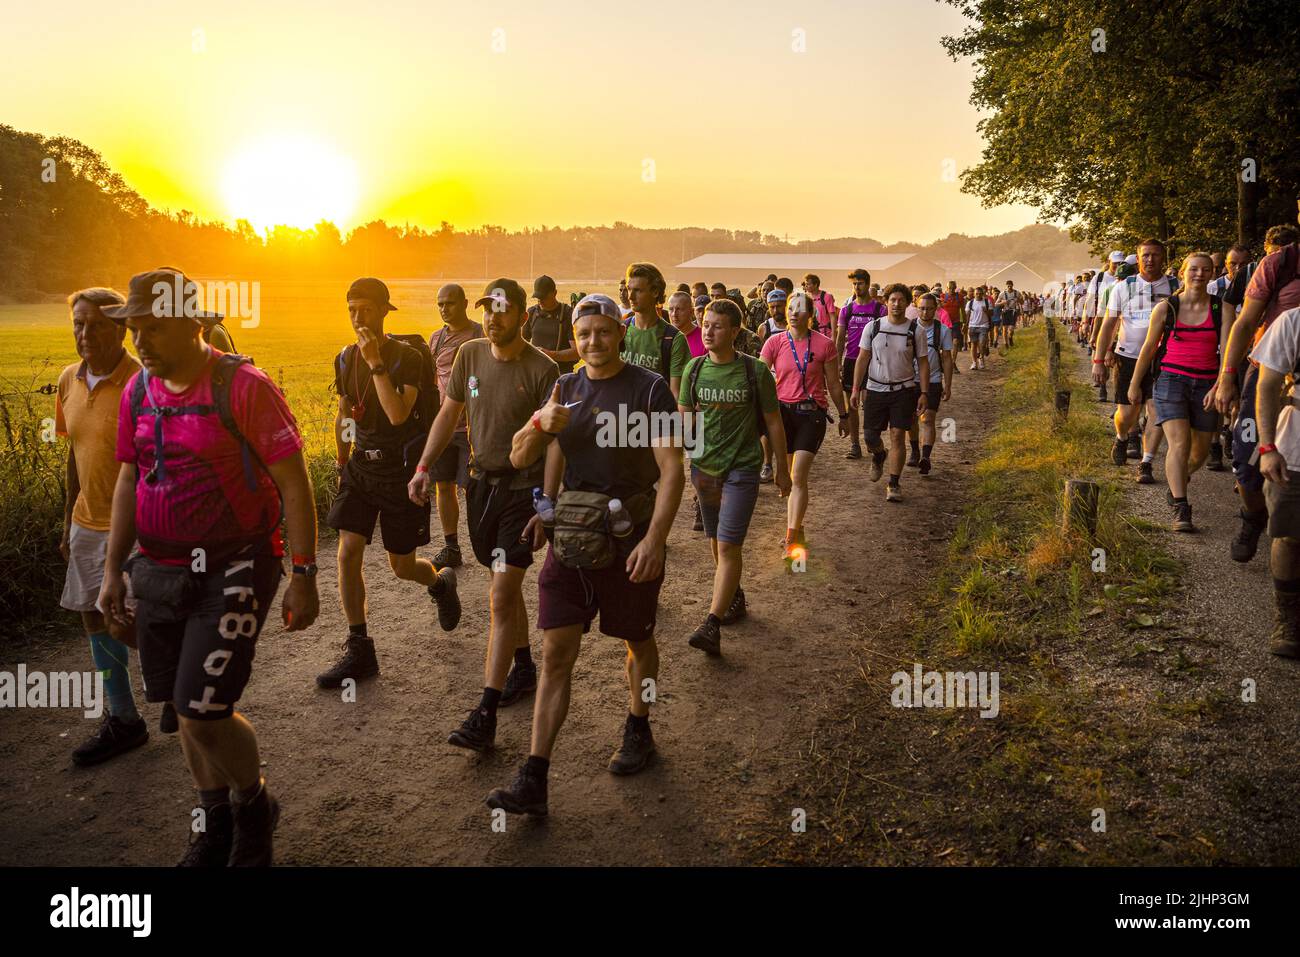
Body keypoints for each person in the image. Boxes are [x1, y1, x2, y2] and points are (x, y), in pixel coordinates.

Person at [98, 269, 321, 866]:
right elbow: (129, 476)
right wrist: (112, 569)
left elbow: (293, 484)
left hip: (238, 564)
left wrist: (303, 573)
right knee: (179, 707)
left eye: (154, 328)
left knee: (204, 708)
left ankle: (254, 808)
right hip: (158, 569)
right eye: (135, 329)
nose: (140, 342)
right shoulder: (137, 392)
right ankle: (212, 820)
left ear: (194, 323)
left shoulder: (243, 386)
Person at [485, 294, 685, 815]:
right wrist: (540, 429)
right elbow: (522, 455)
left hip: (629, 543)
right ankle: (535, 778)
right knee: (556, 656)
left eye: (602, 331)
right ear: (574, 338)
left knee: (638, 641)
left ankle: (640, 724)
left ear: (620, 333)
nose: (593, 341)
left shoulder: (650, 390)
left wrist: (655, 540)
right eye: (584, 333)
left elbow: (672, 472)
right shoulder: (564, 389)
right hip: (570, 541)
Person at [409, 279, 559, 749]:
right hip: (480, 488)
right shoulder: (469, 356)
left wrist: (547, 504)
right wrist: (423, 467)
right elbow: (448, 414)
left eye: (502, 309)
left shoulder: (544, 369)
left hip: (521, 493)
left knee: (499, 594)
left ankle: (485, 713)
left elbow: (555, 445)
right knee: (503, 586)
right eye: (486, 309)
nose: (492, 318)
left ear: (520, 314)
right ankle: (525, 665)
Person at [319, 278, 460, 690]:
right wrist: (342, 457)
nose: (357, 318)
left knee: (401, 566)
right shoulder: (345, 359)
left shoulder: (407, 357)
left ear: (384, 311)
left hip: (401, 474)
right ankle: (359, 646)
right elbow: (345, 411)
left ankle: (439, 581)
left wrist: (376, 361)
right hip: (361, 470)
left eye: (365, 309)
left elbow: (398, 414)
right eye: (351, 310)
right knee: (347, 551)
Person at [56, 287, 149, 766]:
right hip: (85, 523)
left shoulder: (143, 381)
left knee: (134, 623)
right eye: (78, 323)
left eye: (95, 324)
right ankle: (124, 719)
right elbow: (74, 455)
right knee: (94, 618)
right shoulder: (68, 379)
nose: (85, 333)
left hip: (137, 527)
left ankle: (177, 696)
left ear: (120, 328)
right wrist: (66, 517)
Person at [679, 299, 788, 654]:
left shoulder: (754, 372)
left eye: (718, 326)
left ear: (735, 331)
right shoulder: (694, 371)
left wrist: (783, 470)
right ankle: (734, 595)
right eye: (705, 324)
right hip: (704, 469)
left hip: (742, 468)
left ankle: (712, 623)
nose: (708, 331)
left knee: (727, 545)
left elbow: (773, 421)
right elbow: (684, 421)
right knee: (715, 542)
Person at [1126, 253, 1234, 532]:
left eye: (1206, 270)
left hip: (1207, 383)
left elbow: (1227, 353)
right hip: (1171, 380)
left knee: (1198, 454)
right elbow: (1149, 348)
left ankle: (1178, 480)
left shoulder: (1221, 308)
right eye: (1194, 269)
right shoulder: (1167, 308)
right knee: (1179, 444)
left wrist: (1222, 384)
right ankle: (1181, 506)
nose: (1199, 274)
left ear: (1212, 274)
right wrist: (1135, 383)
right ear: (1183, 272)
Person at [1215, 216, 1300, 563]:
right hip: (1267, 370)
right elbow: (1245, 321)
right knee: (1248, 459)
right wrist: (1227, 376)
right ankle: (1253, 516)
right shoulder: (1280, 262)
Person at [760, 292, 848, 559]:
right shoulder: (774, 342)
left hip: (812, 416)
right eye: (790, 308)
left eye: (799, 309)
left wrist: (844, 414)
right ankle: (796, 528)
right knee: (787, 480)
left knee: (798, 476)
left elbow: (833, 383)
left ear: (811, 315)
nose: (793, 313)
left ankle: (790, 539)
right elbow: (761, 380)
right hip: (782, 416)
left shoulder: (824, 345)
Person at [1094, 238, 1177, 485]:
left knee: (1156, 410)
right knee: (1127, 412)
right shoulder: (1124, 287)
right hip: (1128, 355)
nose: (1150, 259)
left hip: (1162, 359)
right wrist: (1099, 359)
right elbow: (1108, 324)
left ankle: (1146, 462)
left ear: (1164, 258)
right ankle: (1121, 437)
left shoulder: (1175, 286)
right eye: (1145, 255)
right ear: (1138, 259)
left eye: (1155, 255)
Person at [1251, 305, 1300, 657]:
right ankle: (1289, 617)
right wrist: (1267, 446)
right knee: (1289, 534)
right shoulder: (1293, 321)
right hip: (1296, 444)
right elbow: (1267, 385)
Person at [851, 283, 930, 501]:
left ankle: (894, 483)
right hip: (876, 389)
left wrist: (924, 392)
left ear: (907, 303)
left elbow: (923, 363)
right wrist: (856, 389)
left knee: (897, 435)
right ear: (885, 302)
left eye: (901, 300)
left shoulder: (916, 331)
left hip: (903, 390)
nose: (896, 304)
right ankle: (879, 454)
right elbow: (862, 358)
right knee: (870, 436)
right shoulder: (873, 327)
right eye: (892, 300)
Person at [427, 284, 485, 568]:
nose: (444, 308)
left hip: (472, 427)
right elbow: (432, 378)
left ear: (464, 303)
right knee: (443, 485)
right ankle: (451, 546)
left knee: (473, 488)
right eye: (440, 304)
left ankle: (484, 542)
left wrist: (471, 399)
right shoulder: (436, 339)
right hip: (444, 425)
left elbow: (484, 379)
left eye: (449, 303)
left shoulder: (478, 335)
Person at [837, 269, 887, 458]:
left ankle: (870, 440)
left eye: (860, 283)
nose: (857, 287)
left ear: (868, 284)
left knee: (870, 403)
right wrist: (838, 363)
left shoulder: (879, 310)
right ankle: (855, 445)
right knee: (853, 404)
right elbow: (840, 337)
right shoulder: (847, 310)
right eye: (854, 284)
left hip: (873, 361)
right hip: (851, 360)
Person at [621, 262, 691, 399]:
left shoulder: (673, 339)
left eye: (638, 290)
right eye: (629, 289)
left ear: (655, 292)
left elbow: (676, 394)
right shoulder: (620, 330)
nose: (630, 296)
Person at [907, 293, 954, 476]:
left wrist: (947, 385)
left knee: (928, 419)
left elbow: (947, 359)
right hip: (909, 381)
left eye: (929, 308)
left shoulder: (943, 330)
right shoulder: (908, 328)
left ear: (936, 309)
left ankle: (925, 456)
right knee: (910, 419)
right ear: (916, 307)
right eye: (922, 308)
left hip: (933, 381)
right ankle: (914, 450)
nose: (925, 312)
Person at [524, 275, 577, 374]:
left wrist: (550, 355)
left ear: (555, 293)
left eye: (544, 297)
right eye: (538, 297)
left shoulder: (567, 314)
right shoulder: (532, 313)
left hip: (561, 374)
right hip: (536, 374)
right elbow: (521, 343)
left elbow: (577, 352)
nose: (540, 301)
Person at [966, 286, 991, 370]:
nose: (978, 295)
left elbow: (992, 313)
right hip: (972, 326)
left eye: (980, 294)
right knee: (973, 344)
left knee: (982, 343)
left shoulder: (987, 302)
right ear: (974, 294)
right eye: (977, 294)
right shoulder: (970, 303)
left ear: (983, 294)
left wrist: (986, 311)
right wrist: (965, 326)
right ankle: (974, 362)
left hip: (983, 325)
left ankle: (981, 359)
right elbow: (967, 315)